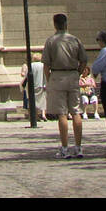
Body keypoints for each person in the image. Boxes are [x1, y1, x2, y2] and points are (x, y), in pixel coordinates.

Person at [42, 14, 87, 159]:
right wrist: (77, 73)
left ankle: (65, 148)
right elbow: (84, 61)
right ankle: (79, 148)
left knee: (62, 113)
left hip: (57, 76)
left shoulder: (51, 41)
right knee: (76, 112)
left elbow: (46, 64)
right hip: (73, 75)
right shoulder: (75, 40)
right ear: (66, 24)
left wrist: (50, 79)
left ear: (55, 25)